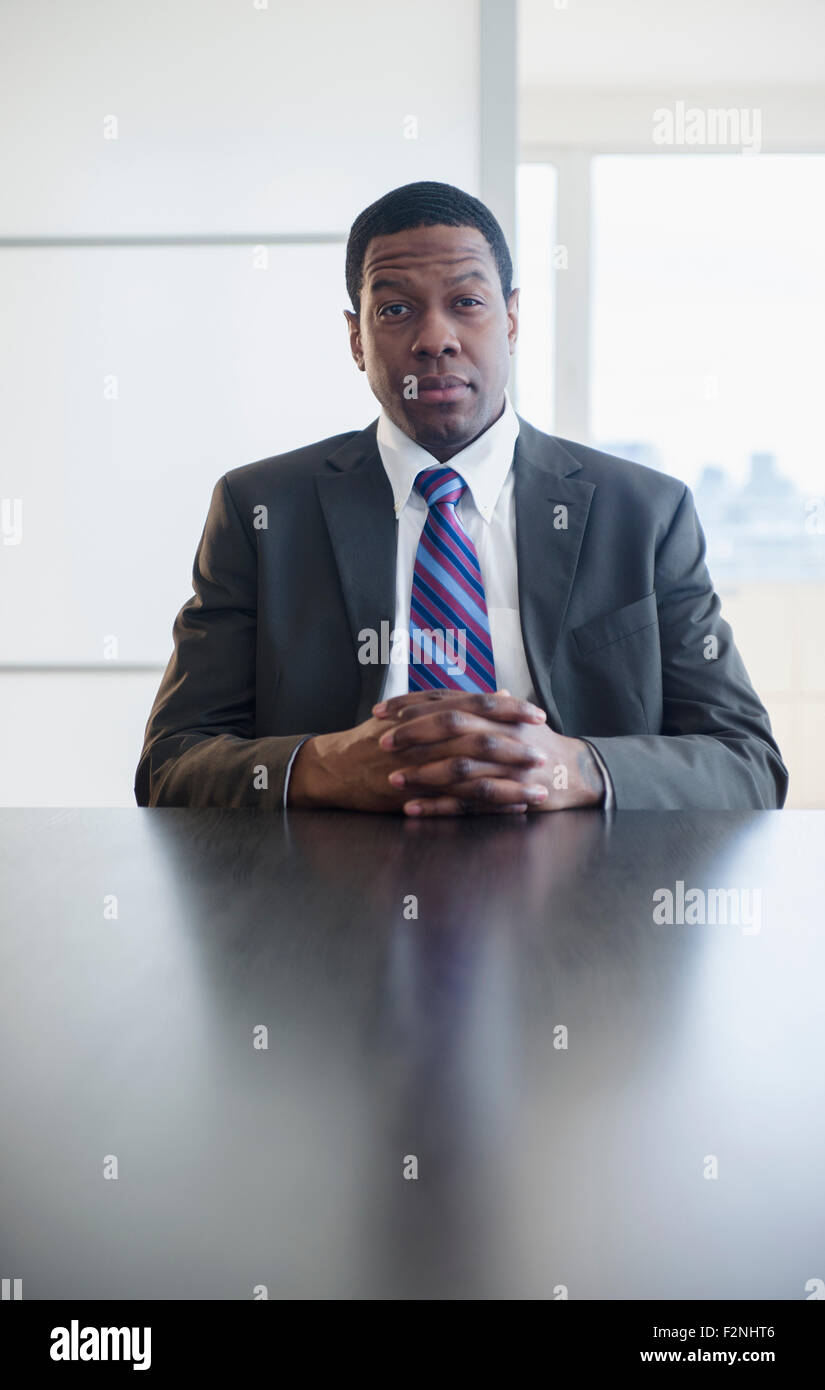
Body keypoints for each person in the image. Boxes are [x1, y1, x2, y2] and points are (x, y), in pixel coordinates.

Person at [134, 180, 787, 815]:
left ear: (510, 319)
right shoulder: (261, 510)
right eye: (394, 310)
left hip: (583, 898)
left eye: (466, 303)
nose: (434, 338)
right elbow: (170, 763)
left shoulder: (644, 513)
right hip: (325, 899)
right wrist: (324, 766)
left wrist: (575, 766)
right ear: (355, 338)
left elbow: (747, 763)